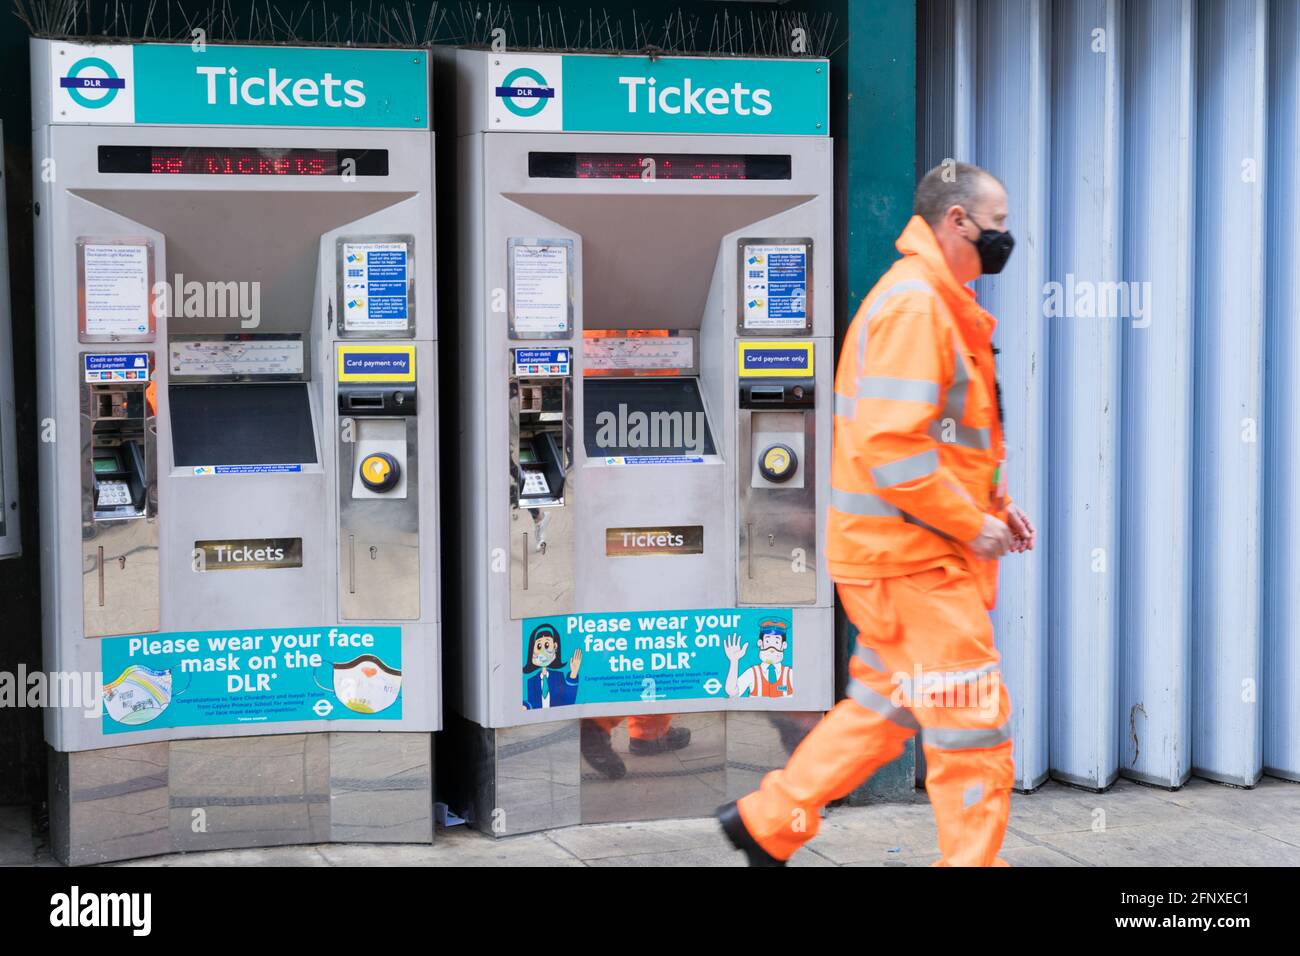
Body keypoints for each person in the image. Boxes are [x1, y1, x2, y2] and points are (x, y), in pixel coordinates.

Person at [717, 161, 1036, 867]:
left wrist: (998, 509)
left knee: (884, 710)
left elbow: (950, 441)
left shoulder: (937, 302)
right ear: (958, 221)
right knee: (970, 719)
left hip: (904, 556)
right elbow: (893, 450)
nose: (1005, 239)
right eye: (1000, 225)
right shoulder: (917, 306)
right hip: (912, 560)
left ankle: (769, 820)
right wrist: (967, 523)